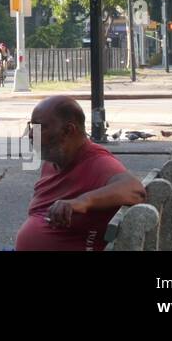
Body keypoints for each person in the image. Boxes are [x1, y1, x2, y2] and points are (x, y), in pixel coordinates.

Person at [16, 96, 145, 251]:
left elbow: (136, 190)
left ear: (68, 131)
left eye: (39, 127)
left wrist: (82, 201)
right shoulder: (53, 161)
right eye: (31, 126)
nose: (30, 134)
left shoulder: (96, 161)